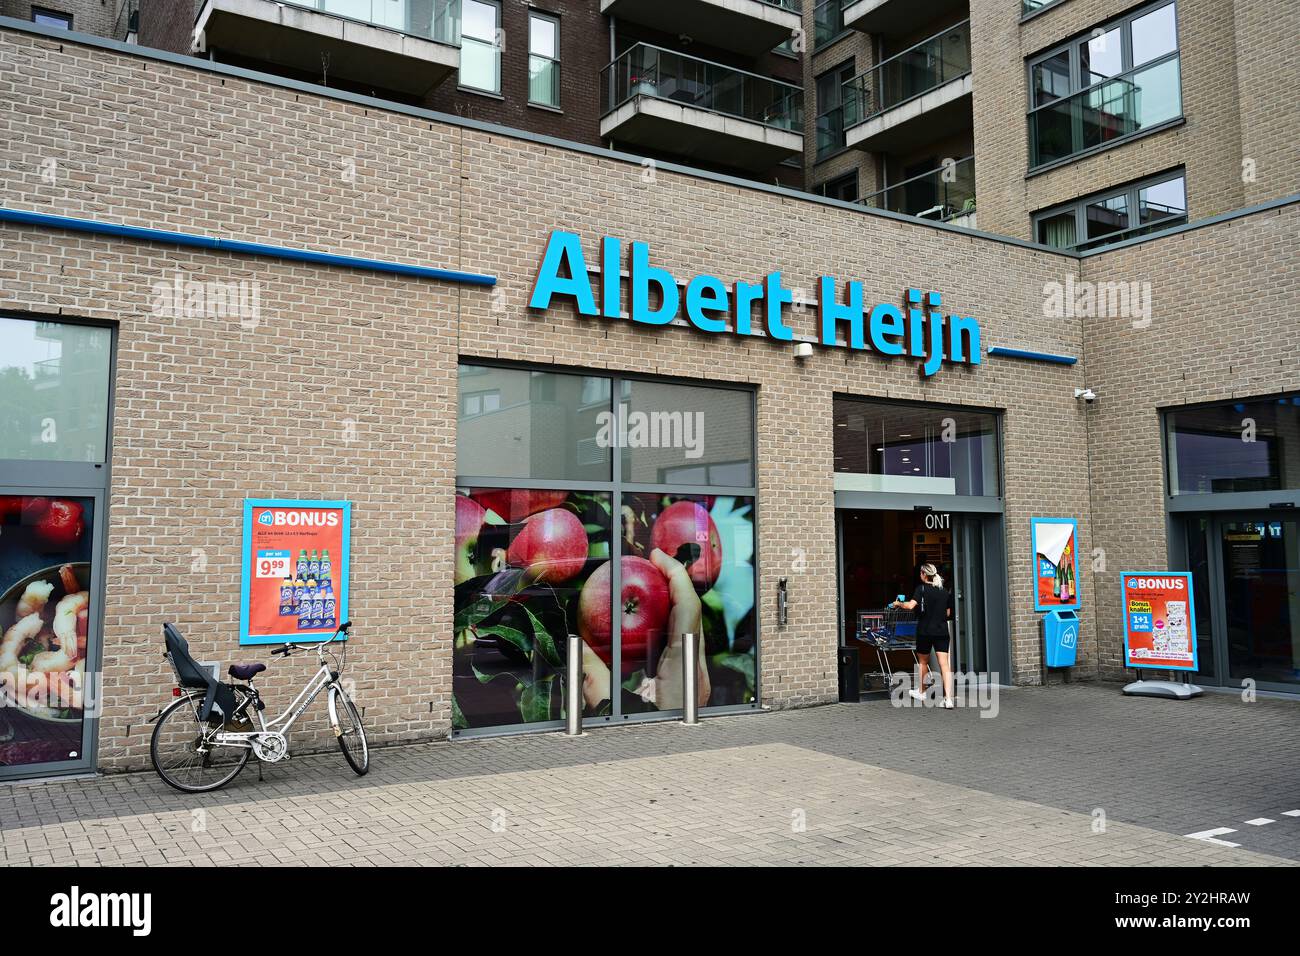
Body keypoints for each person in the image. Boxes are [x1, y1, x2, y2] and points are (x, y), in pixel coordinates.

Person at [889, 563, 955, 709]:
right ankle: (948, 699)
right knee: (944, 664)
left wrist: (898, 603)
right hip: (942, 631)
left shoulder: (921, 589)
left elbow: (910, 606)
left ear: (924, 574)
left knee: (923, 662)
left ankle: (922, 691)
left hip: (925, 631)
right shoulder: (944, 591)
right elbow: (948, 613)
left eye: (920, 573)